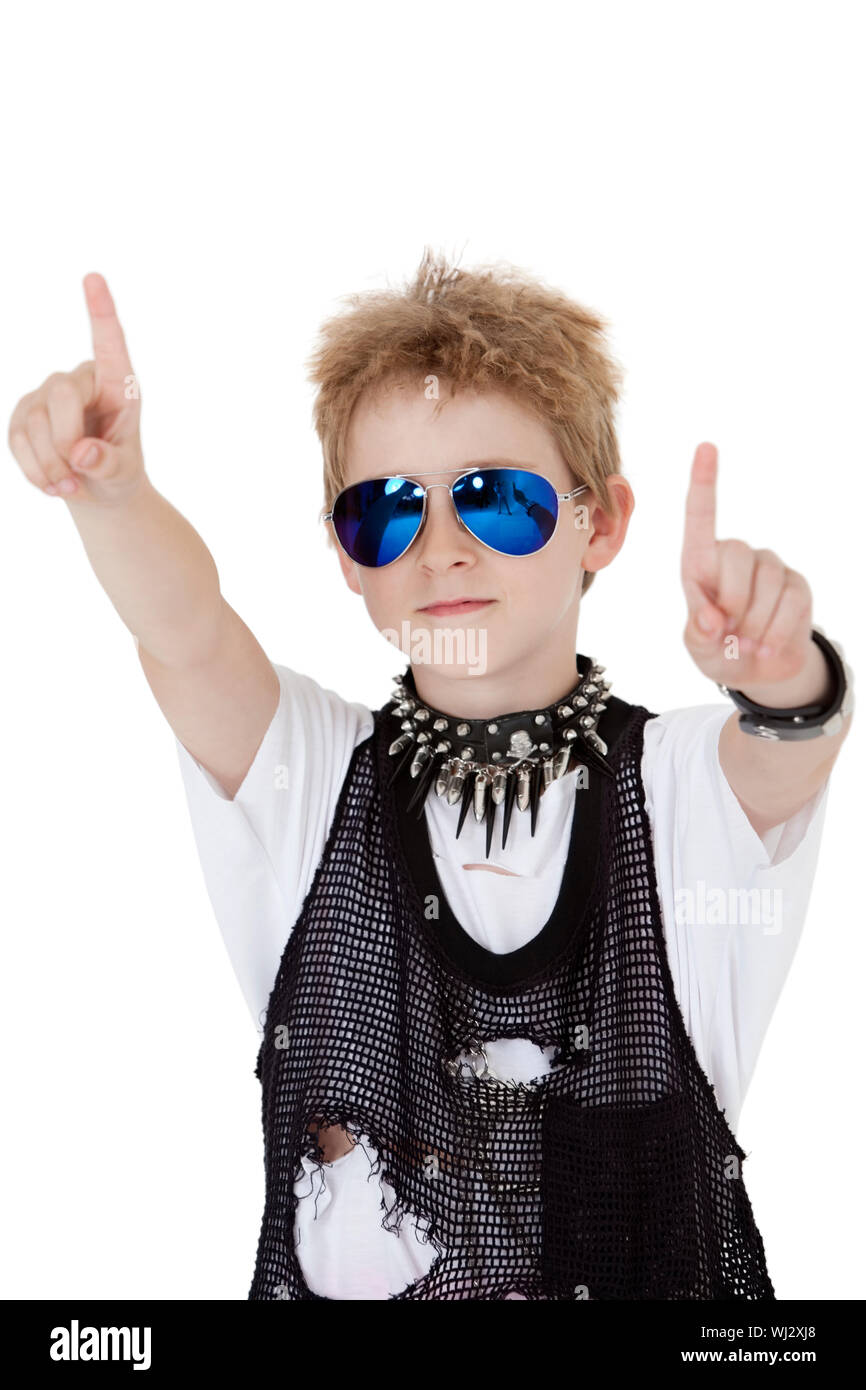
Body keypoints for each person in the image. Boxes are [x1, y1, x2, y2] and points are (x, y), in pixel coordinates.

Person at [8, 249, 853, 1302]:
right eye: (387, 510)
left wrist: (783, 673)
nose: (442, 547)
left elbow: (783, 755)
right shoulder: (307, 784)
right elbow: (185, 634)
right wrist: (115, 496)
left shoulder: (675, 791)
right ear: (344, 552)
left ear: (600, 520)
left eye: (495, 500)